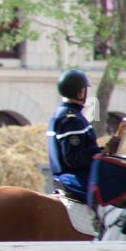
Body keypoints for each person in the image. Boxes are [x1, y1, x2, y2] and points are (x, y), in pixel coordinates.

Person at [47, 68, 102, 203]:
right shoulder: (71, 119)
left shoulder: (62, 114)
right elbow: (73, 158)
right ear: (80, 92)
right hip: (76, 178)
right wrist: (99, 153)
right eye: (84, 89)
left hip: (69, 176)